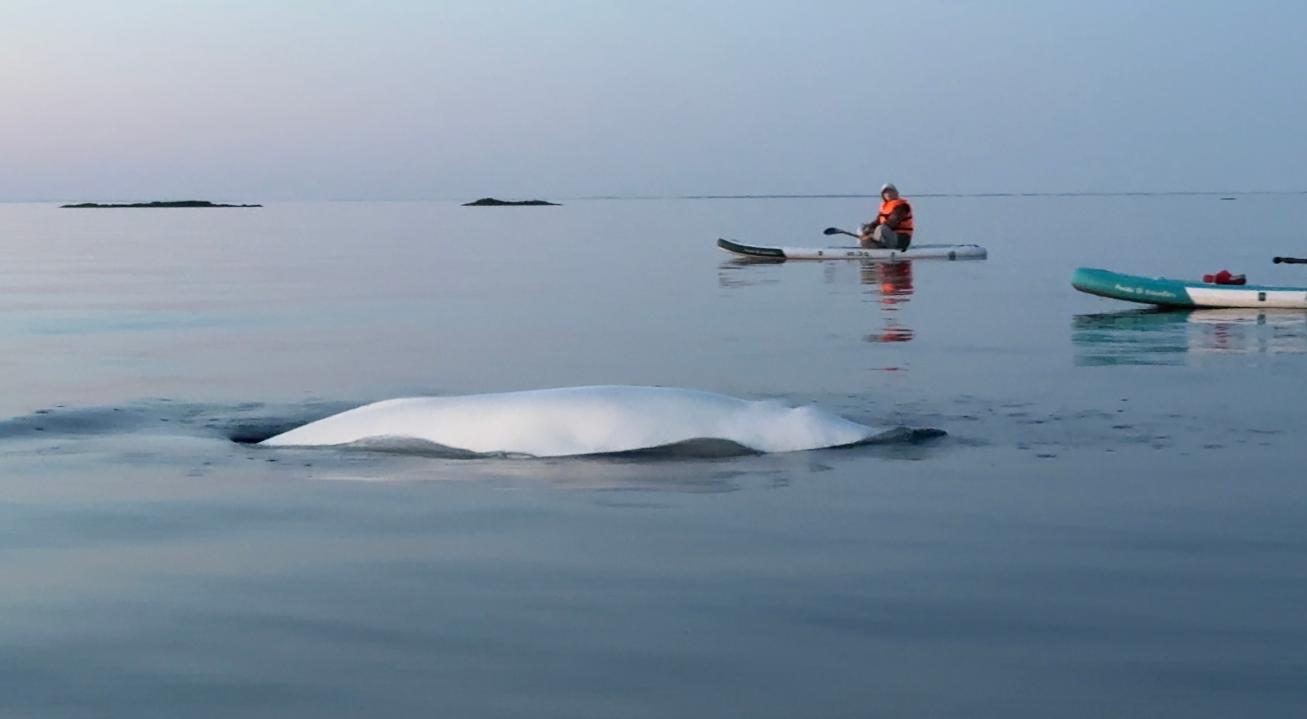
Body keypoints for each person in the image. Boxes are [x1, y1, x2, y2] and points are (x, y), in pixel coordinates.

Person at [860, 183, 914, 250]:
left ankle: (877, 246)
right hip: (886, 238)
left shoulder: (902, 206)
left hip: (901, 239)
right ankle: (871, 248)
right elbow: (877, 221)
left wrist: (871, 232)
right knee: (863, 228)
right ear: (882, 195)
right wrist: (867, 229)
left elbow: (891, 223)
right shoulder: (885, 207)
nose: (888, 194)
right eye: (885, 192)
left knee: (881, 228)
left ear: (896, 193)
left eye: (891, 191)